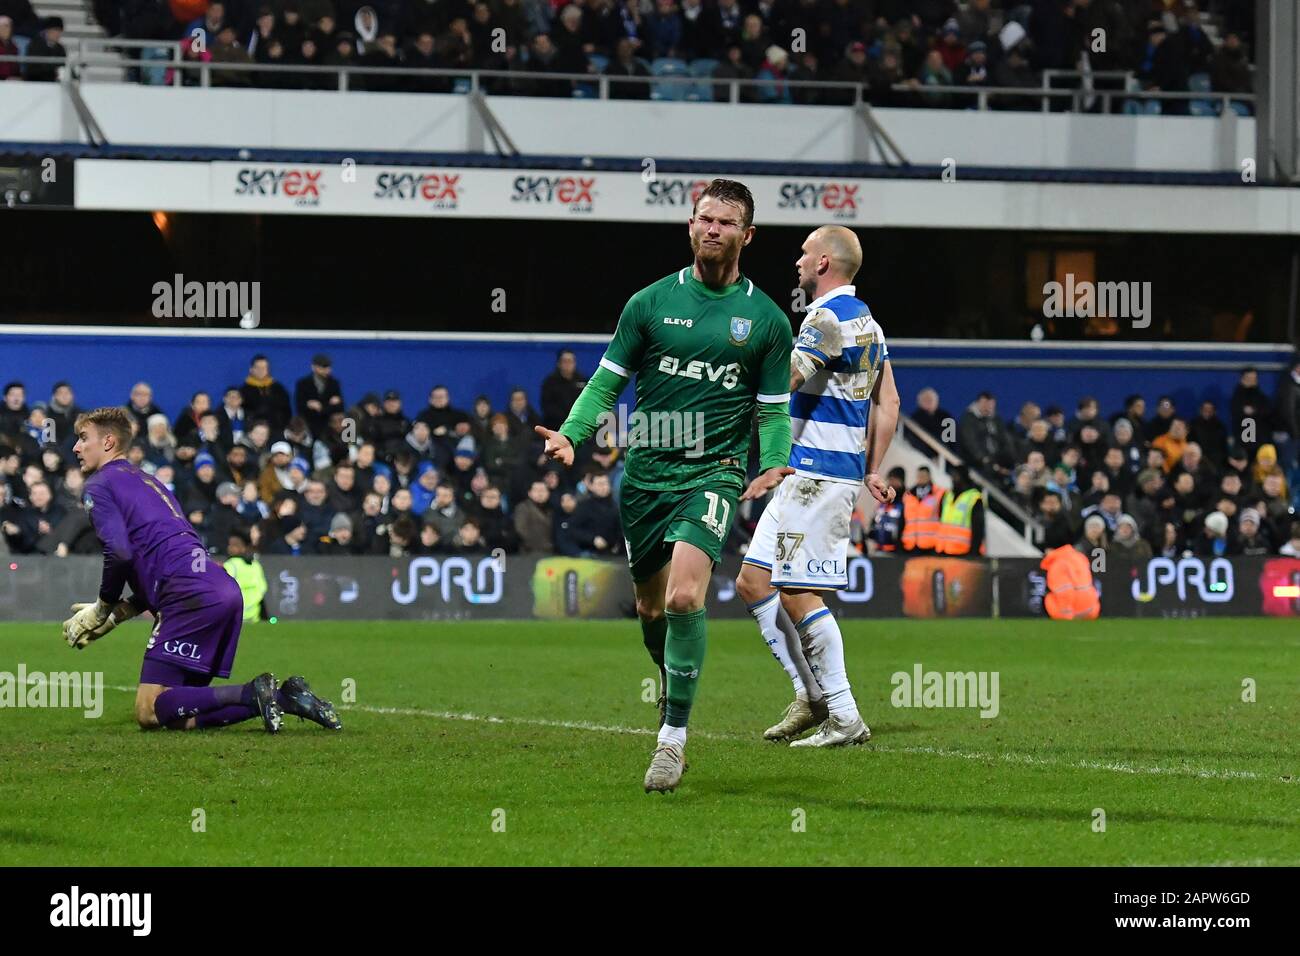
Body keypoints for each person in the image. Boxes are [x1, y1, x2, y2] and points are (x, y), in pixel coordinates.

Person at [535, 179, 793, 794]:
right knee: (651, 608)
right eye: (704, 218)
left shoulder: (767, 321)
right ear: (689, 226)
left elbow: (775, 410)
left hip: (714, 473)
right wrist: (574, 433)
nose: (712, 229)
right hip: (645, 478)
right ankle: (670, 683)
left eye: (726, 223)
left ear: (747, 235)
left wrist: (775, 460)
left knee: (683, 599)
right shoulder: (648, 305)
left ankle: (672, 740)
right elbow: (605, 383)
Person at [64, 407, 340, 733]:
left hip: (188, 596)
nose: (75, 447)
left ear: (108, 441)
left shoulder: (100, 485)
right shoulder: (152, 484)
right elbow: (162, 560)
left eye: (83, 438)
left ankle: (254, 691)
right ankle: (285, 697)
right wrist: (119, 614)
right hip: (220, 588)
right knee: (178, 711)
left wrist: (102, 608)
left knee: (149, 710)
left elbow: (120, 553)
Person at [735, 224, 897, 748]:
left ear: (825, 262)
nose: (798, 261)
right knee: (754, 583)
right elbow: (888, 402)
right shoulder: (868, 321)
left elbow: (785, 378)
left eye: (805, 253)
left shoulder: (824, 318)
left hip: (817, 474)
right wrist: (873, 467)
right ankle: (812, 696)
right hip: (812, 473)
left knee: (799, 590)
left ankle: (845, 716)